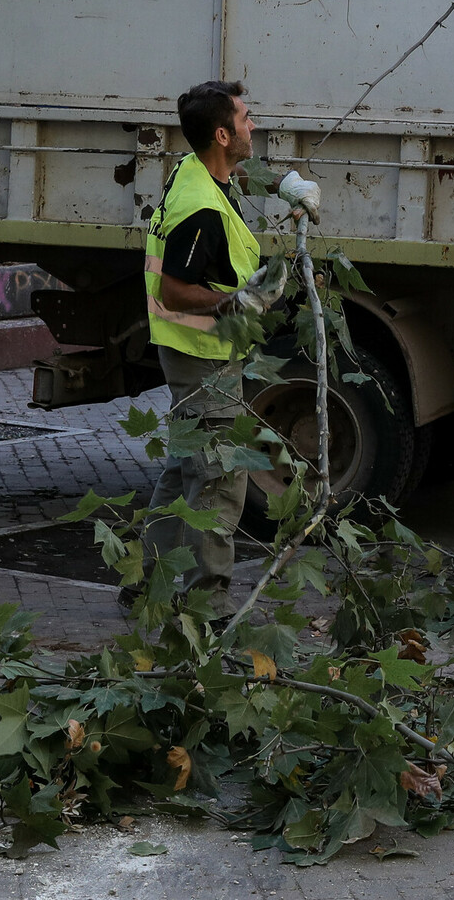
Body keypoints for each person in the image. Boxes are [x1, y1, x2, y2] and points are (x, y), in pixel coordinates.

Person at [138, 80, 319, 617]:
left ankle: (148, 580)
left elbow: (237, 171)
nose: (252, 125)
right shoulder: (199, 208)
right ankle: (207, 610)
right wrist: (235, 303)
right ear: (222, 133)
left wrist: (286, 183)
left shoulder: (200, 171)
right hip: (202, 351)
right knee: (220, 477)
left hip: (200, 348)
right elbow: (173, 289)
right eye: (245, 118)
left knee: (185, 466)